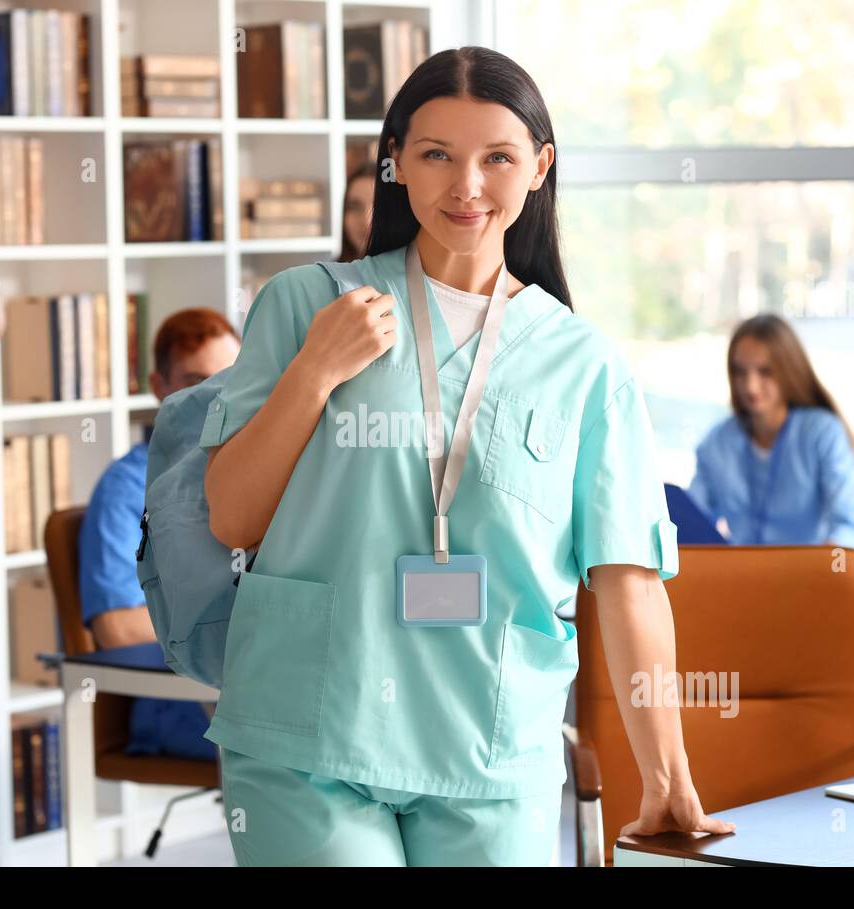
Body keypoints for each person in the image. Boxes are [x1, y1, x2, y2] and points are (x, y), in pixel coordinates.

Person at [199, 46, 733, 866]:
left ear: (540, 166)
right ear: (396, 164)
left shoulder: (585, 365)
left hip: (491, 745)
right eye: (436, 155)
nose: (467, 186)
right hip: (310, 730)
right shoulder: (304, 304)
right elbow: (233, 516)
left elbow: (627, 583)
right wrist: (313, 372)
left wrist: (666, 774)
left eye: (498, 157)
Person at [78, 308, 239, 758]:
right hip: (181, 703)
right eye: (194, 380)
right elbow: (117, 628)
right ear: (158, 387)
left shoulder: (252, 471)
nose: (214, 394)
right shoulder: (126, 489)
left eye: (230, 376)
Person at [687, 314, 854, 549]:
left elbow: (848, 526)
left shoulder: (821, 433)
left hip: (810, 575)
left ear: (789, 371)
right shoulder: (717, 443)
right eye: (740, 372)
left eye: (765, 372)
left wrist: (824, 563)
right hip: (739, 577)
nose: (750, 386)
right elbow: (692, 517)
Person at [338, 161, 377, 263]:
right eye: (355, 208)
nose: (366, 221)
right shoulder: (324, 277)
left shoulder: (418, 276)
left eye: (379, 208)